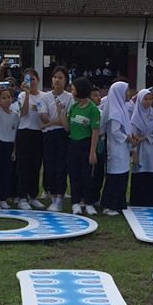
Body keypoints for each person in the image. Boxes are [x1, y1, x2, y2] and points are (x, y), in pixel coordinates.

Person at [65, 77, 100, 215]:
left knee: (87, 175)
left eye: (73, 89)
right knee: (74, 174)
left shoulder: (93, 109)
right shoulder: (73, 107)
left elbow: (95, 132)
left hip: (86, 144)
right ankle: (76, 202)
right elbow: (67, 128)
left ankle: (89, 202)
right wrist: (61, 112)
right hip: (73, 144)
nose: (71, 92)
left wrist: (92, 152)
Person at [40, 66, 73, 211]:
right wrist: (58, 118)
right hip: (48, 135)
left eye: (60, 77)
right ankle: (52, 195)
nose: (57, 80)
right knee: (49, 165)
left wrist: (55, 120)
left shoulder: (70, 98)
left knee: (61, 166)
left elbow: (67, 121)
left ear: (65, 80)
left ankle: (59, 197)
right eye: (55, 77)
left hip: (63, 135)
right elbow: (43, 118)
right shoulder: (44, 97)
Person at [100, 80, 133, 215]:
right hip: (115, 149)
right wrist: (128, 138)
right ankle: (108, 205)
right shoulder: (114, 112)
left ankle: (119, 203)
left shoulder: (122, 108)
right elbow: (115, 131)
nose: (128, 94)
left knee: (123, 175)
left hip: (122, 148)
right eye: (126, 91)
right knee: (115, 177)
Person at [16, 69, 46, 210]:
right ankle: (22, 197)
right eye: (27, 79)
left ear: (38, 79)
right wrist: (27, 94)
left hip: (38, 133)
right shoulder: (22, 95)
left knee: (36, 165)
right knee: (24, 165)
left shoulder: (44, 96)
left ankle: (33, 195)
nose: (31, 82)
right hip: (24, 132)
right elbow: (23, 112)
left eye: (33, 79)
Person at [129, 88, 153, 207]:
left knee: (151, 174)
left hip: (152, 149)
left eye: (150, 99)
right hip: (140, 151)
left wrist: (145, 137)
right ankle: (137, 201)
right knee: (140, 175)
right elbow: (133, 136)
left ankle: (150, 200)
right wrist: (134, 153)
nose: (148, 102)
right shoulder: (135, 117)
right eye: (145, 99)